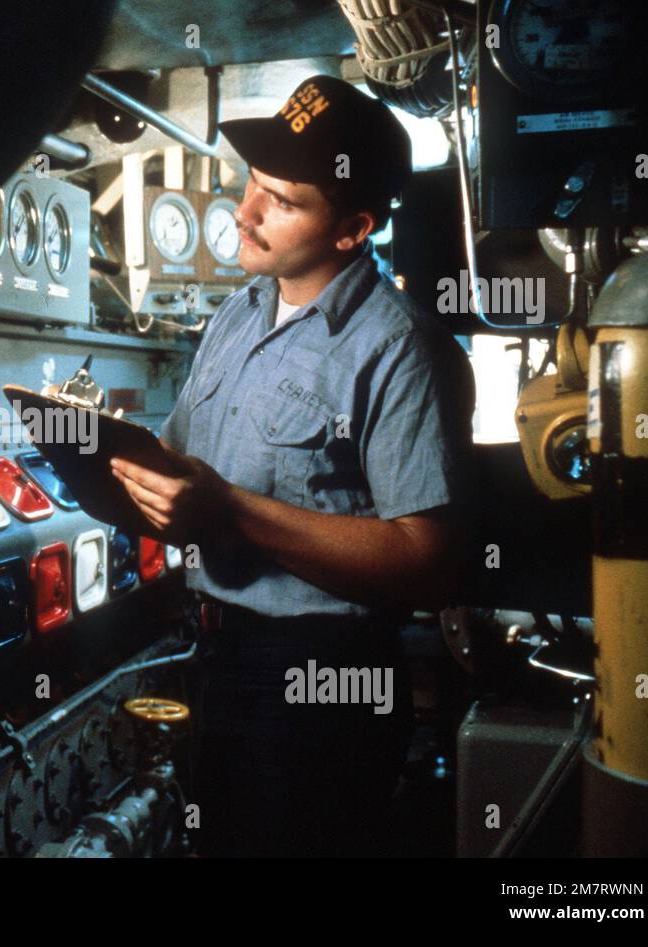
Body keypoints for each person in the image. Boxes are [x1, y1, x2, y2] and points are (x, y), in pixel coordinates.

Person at [109, 75, 476, 856]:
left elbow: (429, 561)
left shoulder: (401, 347)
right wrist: (103, 456)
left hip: (320, 687)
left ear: (353, 229)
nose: (244, 212)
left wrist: (229, 511)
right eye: (251, 183)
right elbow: (181, 466)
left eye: (280, 198)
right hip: (213, 656)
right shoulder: (237, 314)